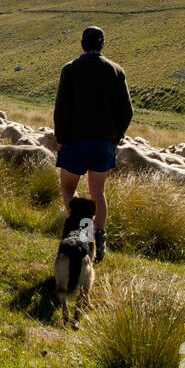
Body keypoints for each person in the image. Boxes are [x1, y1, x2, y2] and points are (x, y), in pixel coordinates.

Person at [51, 25, 133, 262]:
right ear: (103, 45)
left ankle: (78, 233)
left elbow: (61, 109)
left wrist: (61, 139)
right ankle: (99, 240)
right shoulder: (116, 71)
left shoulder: (70, 69)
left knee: (68, 187)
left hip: (75, 141)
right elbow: (127, 111)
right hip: (103, 142)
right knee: (98, 192)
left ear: (82, 44)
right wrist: (115, 137)